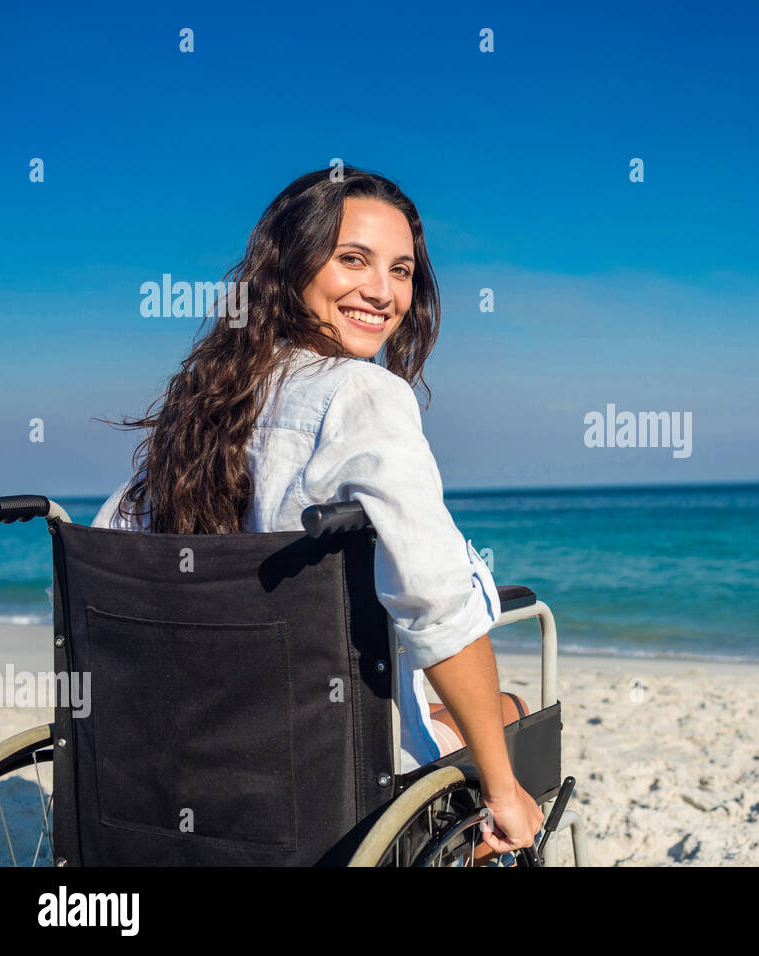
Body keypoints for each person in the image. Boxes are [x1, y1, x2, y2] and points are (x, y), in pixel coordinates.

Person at [91, 166, 544, 856]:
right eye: (352, 259)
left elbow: (117, 555)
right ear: (289, 267)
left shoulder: (200, 408)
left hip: (194, 755)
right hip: (333, 771)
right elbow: (436, 602)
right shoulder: (363, 395)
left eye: (402, 271)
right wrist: (503, 789)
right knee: (516, 713)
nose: (383, 292)